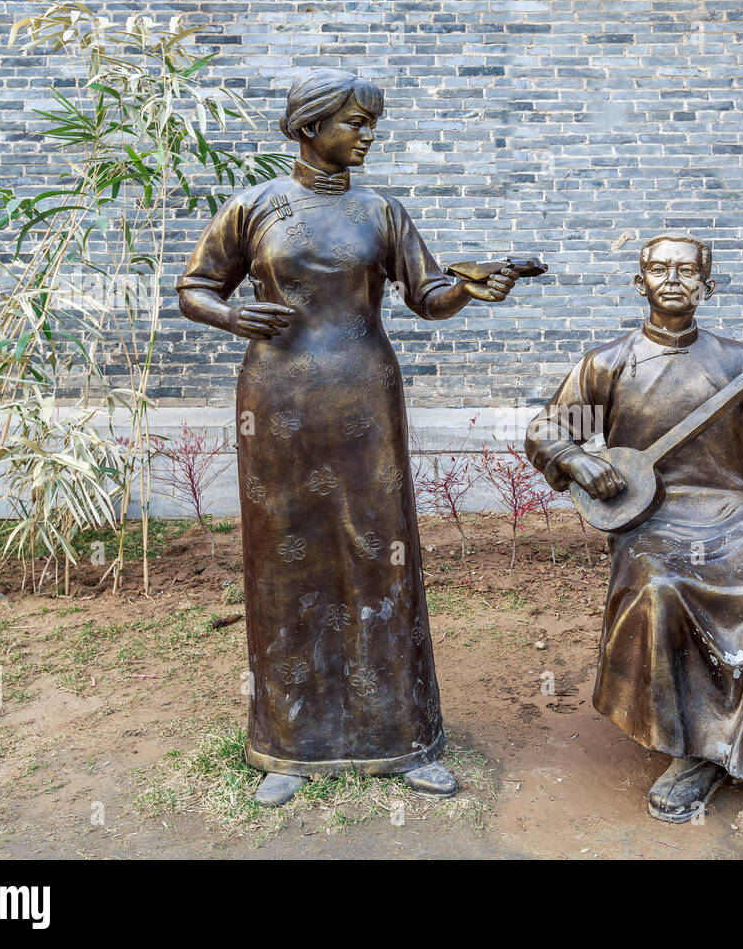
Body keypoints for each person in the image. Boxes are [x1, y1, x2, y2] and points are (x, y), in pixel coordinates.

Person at [177, 70, 525, 807]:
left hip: (366, 388)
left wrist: (474, 282)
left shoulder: (382, 211)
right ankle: (289, 746)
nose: (368, 135)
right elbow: (196, 286)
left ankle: (402, 738)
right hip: (277, 396)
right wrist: (233, 318)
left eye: (371, 123)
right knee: (283, 555)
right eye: (355, 123)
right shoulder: (255, 207)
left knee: (380, 549)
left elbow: (428, 296)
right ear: (309, 127)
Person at [524, 234, 743, 859]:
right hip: (653, 521)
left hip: (734, 518)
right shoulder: (608, 363)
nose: (673, 279)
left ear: (707, 284)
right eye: (659, 268)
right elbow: (548, 430)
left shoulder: (742, 362)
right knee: (660, 588)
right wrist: (577, 460)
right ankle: (696, 751)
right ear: (639, 282)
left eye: (688, 270)